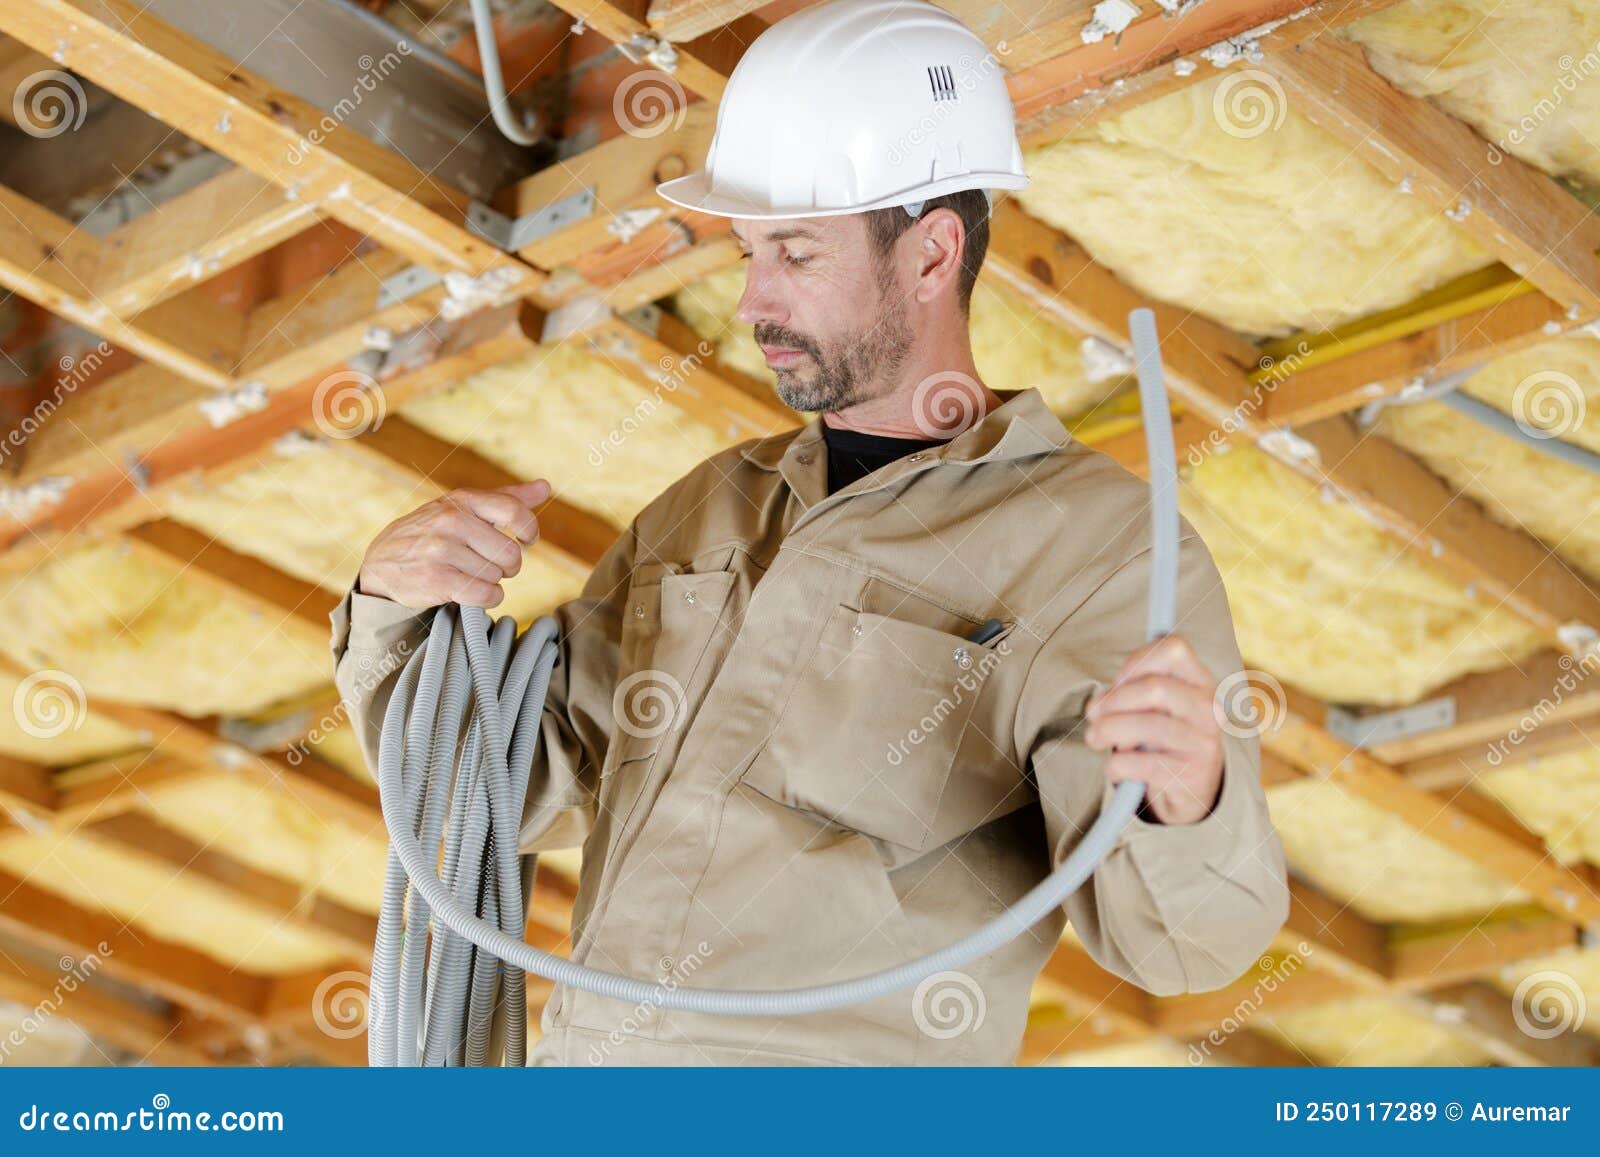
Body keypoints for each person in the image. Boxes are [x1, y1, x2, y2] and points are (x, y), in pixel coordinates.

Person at [333, 0, 1288, 1065]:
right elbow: (500, 792)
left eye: (794, 251)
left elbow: (1188, 949)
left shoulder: (1096, 547)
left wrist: (1184, 797)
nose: (751, 300)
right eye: (749, 250)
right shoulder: (706, 509)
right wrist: (393, 610)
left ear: (929, 255)